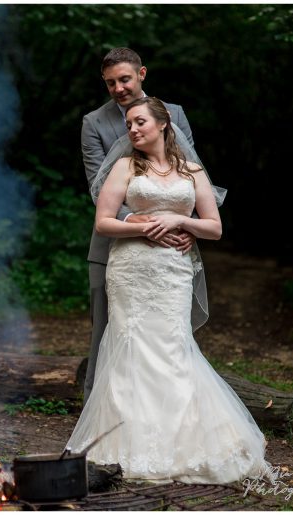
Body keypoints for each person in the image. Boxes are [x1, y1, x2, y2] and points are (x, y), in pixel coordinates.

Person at [66, 96, 268, 483]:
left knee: (173, 346)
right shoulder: (125, 166)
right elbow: (104, 222)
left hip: (173, 271)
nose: (132, 129)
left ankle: (182, 442)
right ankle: (126, 441)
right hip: (131, 268)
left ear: (163, 124)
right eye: (128, 124)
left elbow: (214, 227)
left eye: (140, 122)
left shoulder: (192, 171)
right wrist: (143, 227)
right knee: (131, 347)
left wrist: (180, 221)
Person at [81, 48, 200, 403]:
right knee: (107, 334)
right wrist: (135, 220)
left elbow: (193, 177)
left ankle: (169, 412)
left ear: (142, 74)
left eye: (124, 79)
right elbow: (97, 187)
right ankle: (97, 416)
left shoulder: (173, 113)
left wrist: (188, 227)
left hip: (173, 248)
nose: (118, 88)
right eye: (110, 83)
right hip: (115, 248)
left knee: (168, 335)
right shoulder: (94, 123)